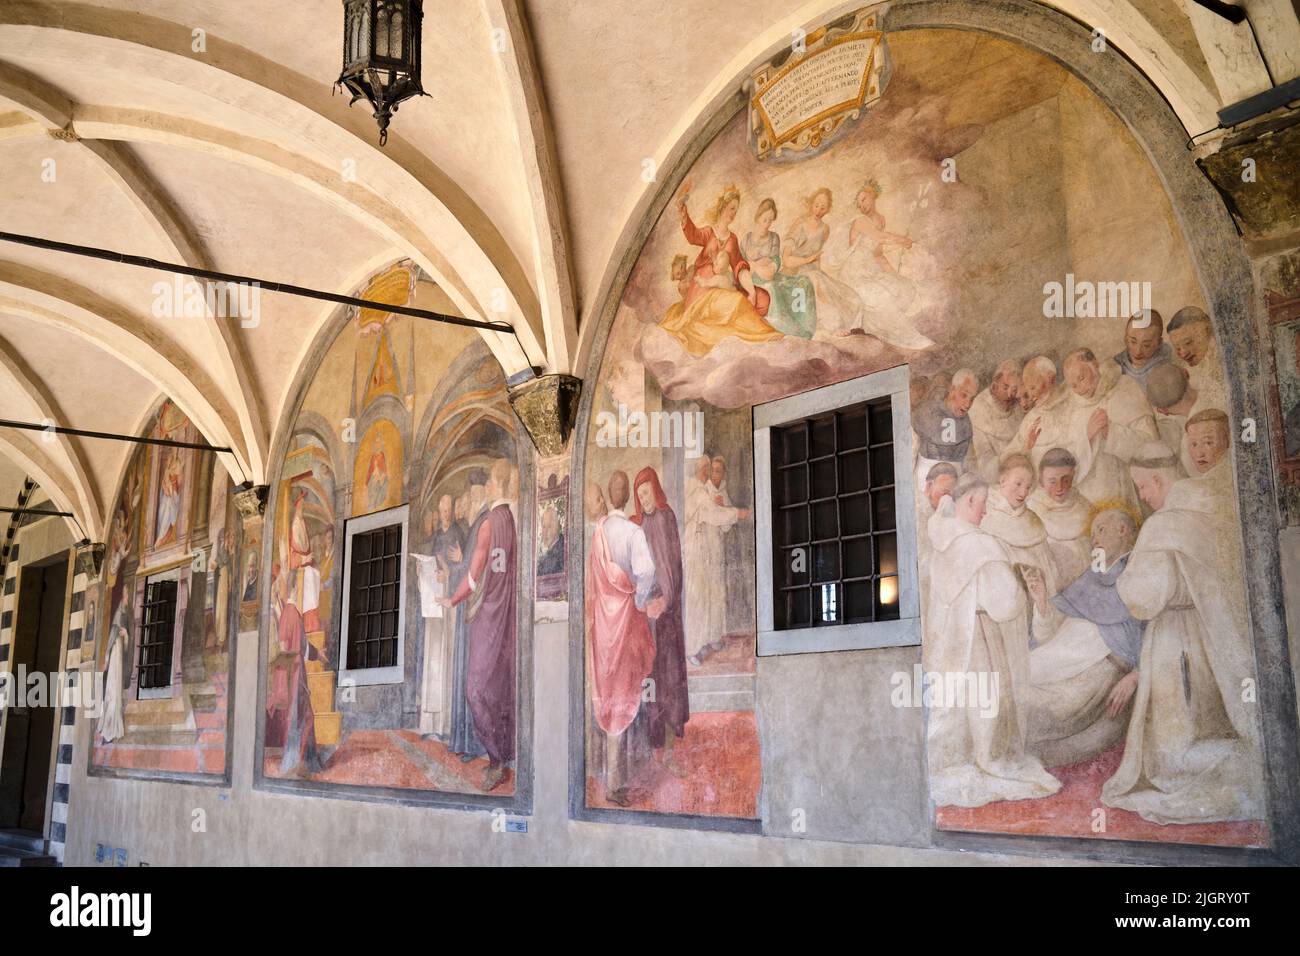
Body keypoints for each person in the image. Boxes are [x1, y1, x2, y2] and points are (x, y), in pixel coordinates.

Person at [1101, 444, 1264, 823]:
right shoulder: (1215, 509)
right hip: (1212, 633)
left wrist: (1123, 579)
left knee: (1170, 758)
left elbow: (1144, 598)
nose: (1143, 496)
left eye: (1142, 486)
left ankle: (1250, 763)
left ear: (1157, 479)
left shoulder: (1164, 525)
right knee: (1207, 722)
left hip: (1174, 639)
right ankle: (1254, 755)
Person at [924, 473, 1061, 807]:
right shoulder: (980, 544)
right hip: (982, 635)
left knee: (959, 701)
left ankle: (964, 757)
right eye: (983, 504)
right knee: (989, 701)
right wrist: (1023, 585)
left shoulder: (940, 540)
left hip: (952, 639)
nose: (985, 512)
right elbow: (1005, 603)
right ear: (969, 501)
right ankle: (988, 758)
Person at [1022, 508, 1144, 767]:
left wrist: (1136, 675)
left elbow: (1151, 633)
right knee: (1015, 693)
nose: (1094, 539)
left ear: (1122, 531)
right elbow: (1056, 623)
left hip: (1099, 673)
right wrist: (1042, 599)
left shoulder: (1139, 575)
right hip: (1065, 664)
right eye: (1092, 534)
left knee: (1035, 708)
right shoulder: (1092, 576)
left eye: (1100, 530)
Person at [442, 459, 517, 792]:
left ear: (493, 486)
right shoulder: (512, 521)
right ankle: (503, 755)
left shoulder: (489, 523)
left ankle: (497, 760)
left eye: (487, 484)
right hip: (509, 617)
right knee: (500, 687)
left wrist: (452, 599)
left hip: (488, 616)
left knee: (475, 689)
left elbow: (473, 578)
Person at [585, 475, 658, 806]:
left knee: (606, 691)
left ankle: (606, 774)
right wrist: (639, 601)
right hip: (626, 623)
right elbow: (646, 574)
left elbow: (590, 586)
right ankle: (620, 776)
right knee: (628, 692)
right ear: (627, 498)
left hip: (602, 627)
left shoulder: (598, 534)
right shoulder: (633, 532)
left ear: (606, 499)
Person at [1018, 348, 1158, 511]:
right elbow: (1065, 457)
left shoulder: (1124, 388)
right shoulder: (1071, 405)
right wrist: (1088, 437)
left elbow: (1151, 445)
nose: (1080, 389)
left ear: (1095, 365)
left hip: (1118, 489)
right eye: (1073, 385)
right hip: (1084, 498)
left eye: (1082, 378)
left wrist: (1110, 432)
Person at [658, 182, 782, 356]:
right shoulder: (709, 232)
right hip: (705, 285)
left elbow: (739, 265)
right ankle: (761, 335)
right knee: (737, 302)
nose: (733, 214)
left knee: (762, 298)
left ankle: (756, 332)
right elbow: (693, 235)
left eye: (736, 210)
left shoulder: (732, 239)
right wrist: (684, 213)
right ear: (723, 207)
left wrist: (751, 290)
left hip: (724, 284)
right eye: (731, 208)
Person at [821, 179, 933, 349]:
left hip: (870, 271)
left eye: (864, 199)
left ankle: (877, 327)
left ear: (873, 195)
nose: (862, 206)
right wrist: (903, 241)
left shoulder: (880, 220)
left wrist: (894, 275)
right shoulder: (860, 220)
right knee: (881, 296)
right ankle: (911, 338)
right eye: (859, 203)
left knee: (904, 287)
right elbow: (881, 238)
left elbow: (878, 254)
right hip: (853, 274)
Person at [631, 467, 690, 778]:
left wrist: (665, 601)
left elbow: (671, 565)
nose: (644, 499)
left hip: (664, 617)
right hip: (648, 616)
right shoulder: (641, 525)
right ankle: (651, 751)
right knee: (650, 682)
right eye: (639, 495)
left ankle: (668, 751)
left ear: (656, 490)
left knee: (667, 684)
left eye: (647, 492)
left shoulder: (665, 517)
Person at [684, 455, 750, 666]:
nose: (710, 473)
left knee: (715, 595)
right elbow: (713, 515)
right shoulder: (696, 490)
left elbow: (723, 525)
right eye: (707, 469)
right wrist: (735, 513)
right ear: (700, 470)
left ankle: (711, 638)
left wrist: (727, 512)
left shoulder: (715, 492)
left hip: (713, 553)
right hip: (698, 554)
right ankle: (692, 648)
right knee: (698, 599)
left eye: (715, 470)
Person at [782, 187, 866, 338]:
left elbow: (818, 256)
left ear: (827, 210)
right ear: (811, 204)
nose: (818, 210)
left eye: (823, 207)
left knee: (845, 294)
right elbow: (787, 260)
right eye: (816, 205)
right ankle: (834, 326)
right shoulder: (800, 224)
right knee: (818, 285)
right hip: (796, 273)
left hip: (814, 272)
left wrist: (818, 268)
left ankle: (851, 324)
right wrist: (808, 260)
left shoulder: (825, 229)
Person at [980, 453, 1061, 606]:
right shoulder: (983, 511)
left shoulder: (1032, 522)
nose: (1023, 492)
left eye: (1028, 487)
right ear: (1003, 480)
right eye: (1018, 484)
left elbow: (1050, 574)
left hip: (1033, 601)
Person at [741, 197, 817, 338]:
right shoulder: (747, 239)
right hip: (753, 280)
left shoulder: (774, 237)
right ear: (758, 217)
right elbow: (742, 265)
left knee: (802, 283)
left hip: (771, 274)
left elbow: (776, 259)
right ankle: (782, 325)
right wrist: (757, 265)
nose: (768, 223)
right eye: (765, 219)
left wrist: (768, 265)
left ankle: (804, 324)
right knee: (773, 288)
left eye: (770, 220)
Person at [1026, 447, 1093, 584]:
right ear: (1041, 480)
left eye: (1066, 480)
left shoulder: (1085, 506)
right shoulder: (1031, 509)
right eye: (1052, 481)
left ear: (1073, 477)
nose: (1060, 487)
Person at [912, 370, 977, 501]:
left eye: (972, 398)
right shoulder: (927, 411)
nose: (967, 404)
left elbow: (971, 462)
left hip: (956, 486)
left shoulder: (967, 423)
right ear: (952, 389)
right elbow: (911, 449)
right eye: (963, 395)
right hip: (924, 481)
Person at [968, 361, 1024, 482]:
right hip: (992, 477)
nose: (1010, 394)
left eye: (1014, 389)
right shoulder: (979, 409)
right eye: (1005, 387)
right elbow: (984, 461)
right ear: (994, 386)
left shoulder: (1019, 405)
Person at [1167, 306, 1227, 414]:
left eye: (1188, 343)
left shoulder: (1225, 360)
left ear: (1208, 331)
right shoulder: (1188, 373)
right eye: (1178, 348)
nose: (1183, 353)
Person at [1114, 310, 1174, 388]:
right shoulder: (1119, 363)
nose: (1138, 351)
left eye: (1146, 345)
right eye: (1133, 342)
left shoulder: (1165, 364)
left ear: (1158, 344)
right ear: (1126, 339)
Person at [537, 505, 565, 576]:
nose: (545, 532)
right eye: (544, 527)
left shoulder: (563, 549)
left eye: (549, 526)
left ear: (556, 527)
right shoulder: (548, 552)